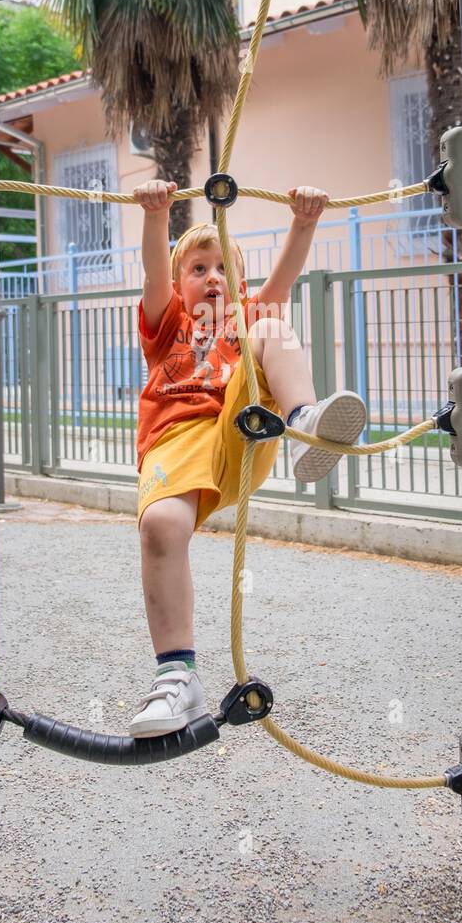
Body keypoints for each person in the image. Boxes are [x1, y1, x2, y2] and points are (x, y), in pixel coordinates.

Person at [130, 178, 367, 737]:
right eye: (199, 269)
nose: (213, 279)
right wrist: (156, 216)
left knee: (271, 325)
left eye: (224, 269)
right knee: (161, 527)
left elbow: (282, 280)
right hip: (175, 438)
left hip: (241, 427)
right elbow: (152, 274)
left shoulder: (245, 316)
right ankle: (177, 679)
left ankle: (304, 418)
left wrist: (304, 221)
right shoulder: (169, 327)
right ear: (180, 283)